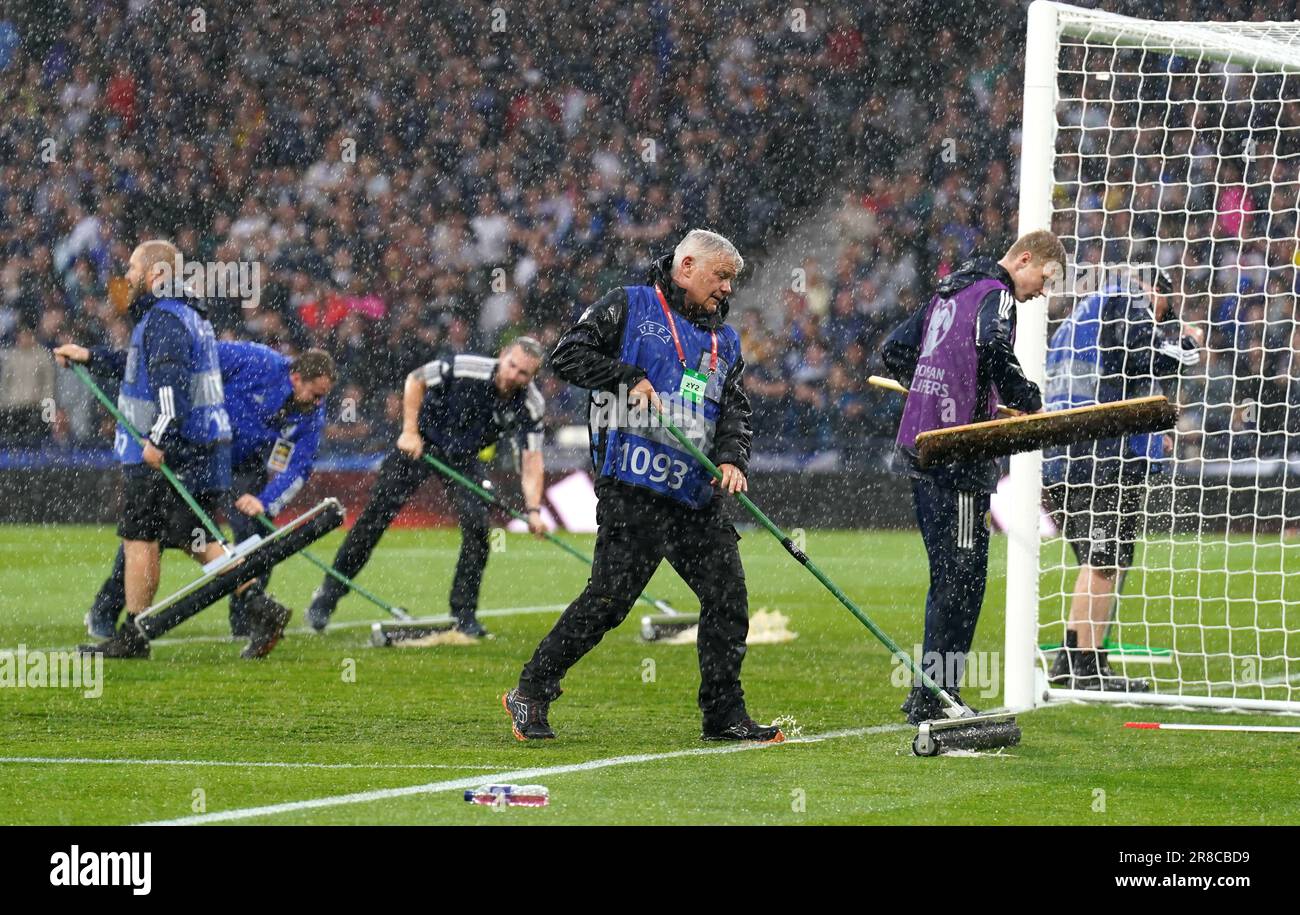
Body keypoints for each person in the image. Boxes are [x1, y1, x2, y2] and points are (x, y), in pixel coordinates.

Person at [503, 229, 784, 743]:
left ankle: (723, 716)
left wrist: (731, 460)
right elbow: (567, 355)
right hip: (632, 486)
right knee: (608, 603)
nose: (726, 288)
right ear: (687, 266)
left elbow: (734, 413)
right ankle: (532, 690)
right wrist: (626, 376)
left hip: (695, 495)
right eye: (720, 276)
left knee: (728, 600)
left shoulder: (727, 340)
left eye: (732, 280)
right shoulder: (629, 305)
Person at [55, 240, 290, 660]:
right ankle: (259, 605)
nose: (126, 278)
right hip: (205, 450)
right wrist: (90, 356)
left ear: (156, 275)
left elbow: (172, 390)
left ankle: (135, 636)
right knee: (196, 536)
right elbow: (143, 365)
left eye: (132, 269)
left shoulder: (163, 318)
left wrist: (157, 439)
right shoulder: (188, 315)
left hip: (172, 452)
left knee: (139, 538)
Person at [882, 229, 1066, 723]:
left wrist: (930, 393)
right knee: (963, 579)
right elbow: (993, 347)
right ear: (1024, 259)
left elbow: (895, 351)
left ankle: (930, 692)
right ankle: (937, 696)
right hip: (960, 456)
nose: (1042, 292)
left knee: (947, 575)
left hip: (922, 447)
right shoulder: (997, 294)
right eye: (1045, 278)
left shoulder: (950, 289)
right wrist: (1026, 397)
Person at [82, 342, 336, 639]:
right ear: (296, 378)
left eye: (323, 397)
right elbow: (190, 363)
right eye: (315, 395)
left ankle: (247, 623)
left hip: (243, 466)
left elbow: (298, 468)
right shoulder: (254, 360)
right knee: (151, 529)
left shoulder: (312, 414)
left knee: (257, 540)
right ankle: (105, 609)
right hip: (199, 453)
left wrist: (264, 501)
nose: (319, 404)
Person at [305, 337, 547, 636]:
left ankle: (463, 615)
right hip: (420, 442)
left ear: (532, 376)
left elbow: (532, 458)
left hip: (462, 458)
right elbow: (415, 379)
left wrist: (534, 510)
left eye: (524, 373)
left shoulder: (532, 404)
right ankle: (327, 597)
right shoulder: (466, 367)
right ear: (502, 356)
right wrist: (409, 431)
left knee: (477, 528)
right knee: (373, 520)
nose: (514, 376)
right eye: (512, 366)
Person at [1043, 266, 1202, 691]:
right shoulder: (1125, 298)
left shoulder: (1076, 319)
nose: (1164, 314)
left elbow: (1112, 371)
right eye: (1165, 304)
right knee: (1104, 561)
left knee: (1101, 563)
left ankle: (1069, 656)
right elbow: (1150, 356)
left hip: (1062, 457)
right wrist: (1188, 345)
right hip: (1100, 458)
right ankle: (1089, 668)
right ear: (1155, 289)